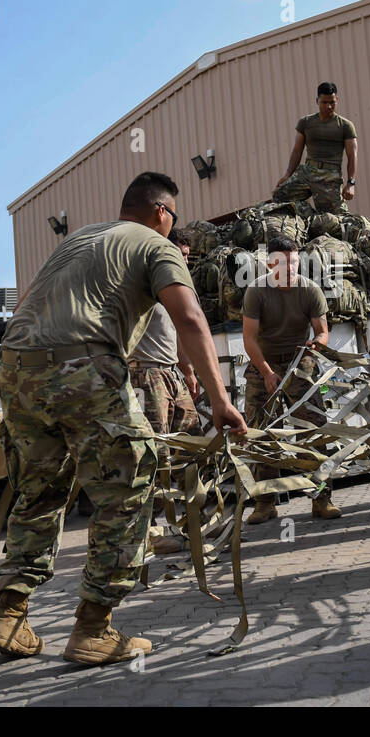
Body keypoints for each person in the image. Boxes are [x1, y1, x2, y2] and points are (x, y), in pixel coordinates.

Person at [0, 172, 247, 665]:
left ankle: (9, 617)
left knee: (38, 493)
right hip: (83, 368)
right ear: (162, 213)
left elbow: (22, 308)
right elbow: (190, 318)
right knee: (129, 483)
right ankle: (93, 629)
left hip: (16, 372)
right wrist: (222, 400)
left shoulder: (78, 239)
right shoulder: (155, 244)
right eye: (172, 219)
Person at [241, 234, 341, 523]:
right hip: (264, 366)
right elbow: (249, 339)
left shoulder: (309, 290)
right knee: (262, 435)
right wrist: (267, 372)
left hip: (300, 365)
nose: (291, 269)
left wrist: (315, 346)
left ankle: (322, 499)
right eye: (284, 264)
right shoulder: (256, 291)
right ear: (271, 263)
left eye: (295, 263)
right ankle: (265, 503)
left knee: (313, 432)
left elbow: (322, 332)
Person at [128, 230, 202, 555]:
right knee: (156, 455)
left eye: (187, 256)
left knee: (190, 444)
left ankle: (189, 519)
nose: (184, 261)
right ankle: (152, 532)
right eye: (180, 255)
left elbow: (182, 331)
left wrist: (187, 370)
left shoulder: (178, 287)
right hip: (147, 375)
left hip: (171, 373)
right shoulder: (144, 284)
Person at [273, 81, 358, 213]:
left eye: (332, 102)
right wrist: (288, 174)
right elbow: (297, 150)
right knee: (280, 195)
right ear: (317, 101)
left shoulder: (345, 126)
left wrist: (351, 183)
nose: (329, 106)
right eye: (324, 102)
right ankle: (307, 216)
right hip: (307, 172)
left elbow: (352, 155)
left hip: (330, 177)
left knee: (336, 217)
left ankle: (320, 221)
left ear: (337, 101)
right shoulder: (306, 123)